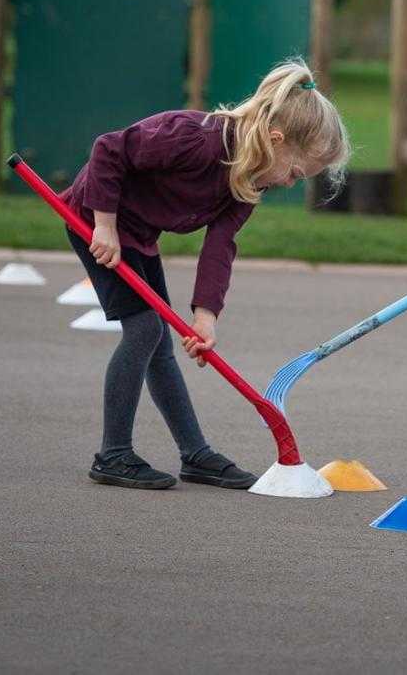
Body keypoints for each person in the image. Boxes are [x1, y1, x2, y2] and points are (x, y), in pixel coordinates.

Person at [61, 61, 350, 491]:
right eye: (294, 173)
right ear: (276, 139)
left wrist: (205, 317)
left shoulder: (248, 183)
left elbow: (220, 246)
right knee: (144, 330)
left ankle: (195, 454)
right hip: (95, 220)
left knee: (158, 342)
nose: (291, 183)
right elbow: (109, 149)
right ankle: (113, 454)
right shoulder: (194, 138)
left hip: (138, 234)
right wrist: (104, 225)